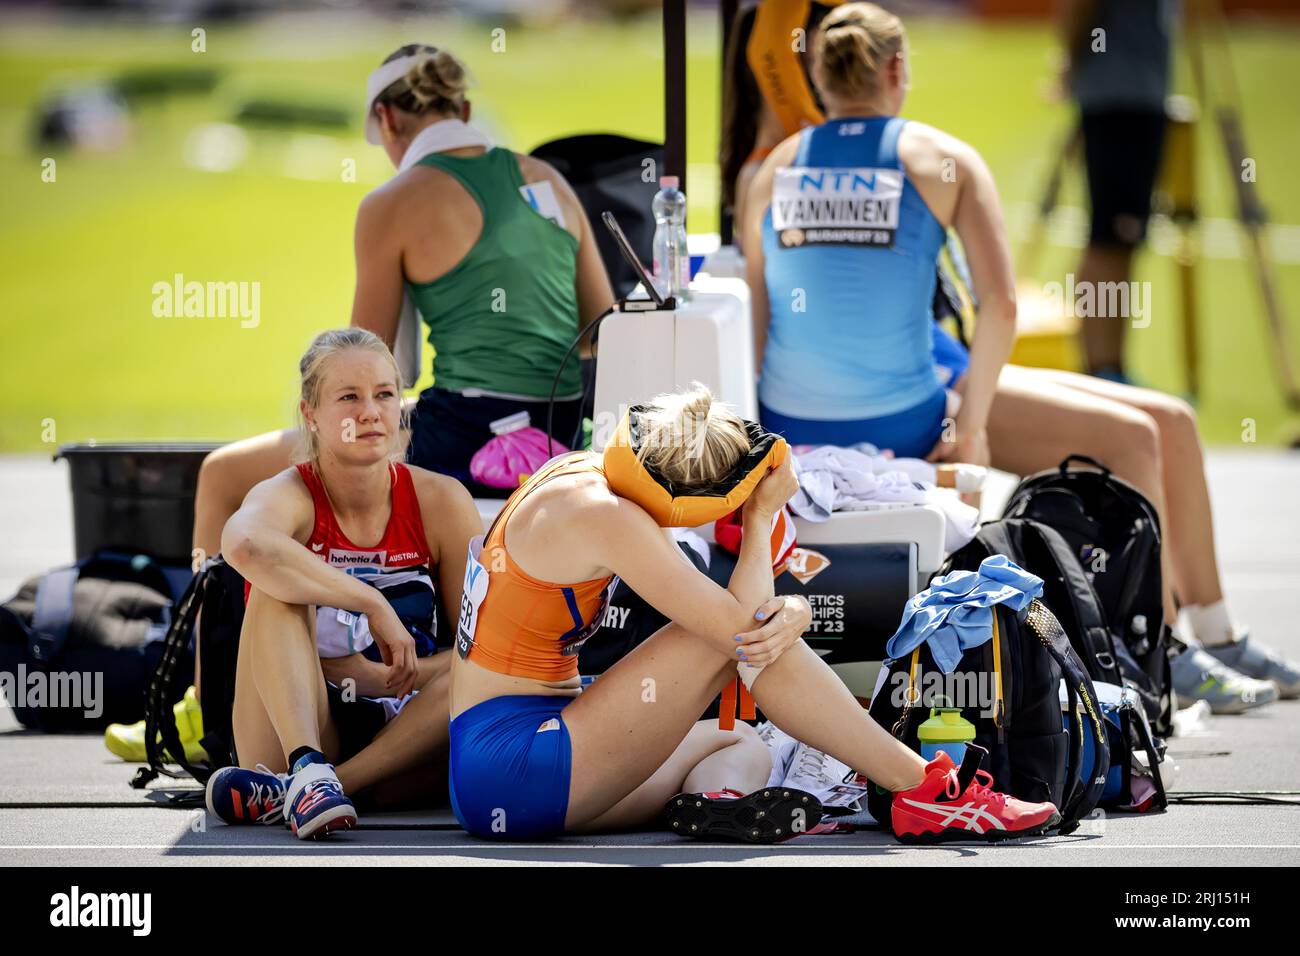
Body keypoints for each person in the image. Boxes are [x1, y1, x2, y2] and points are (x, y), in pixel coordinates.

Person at [739, 2, 1299, 713]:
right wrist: (969, 424)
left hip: (806, 411)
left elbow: (755, 320)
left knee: (1171, 420)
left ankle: (1209, 637)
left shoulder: (771, 172)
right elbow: (1002, 306)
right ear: (898, 70)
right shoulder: (941, 157)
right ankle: (1156, 655)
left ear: (817, 76)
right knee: (1143, 434)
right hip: (911, 410)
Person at [448, 384, 1061, 843]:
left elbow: (747, 617)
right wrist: (761, 518)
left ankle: (718, 801)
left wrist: (780, 610)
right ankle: (923, 787)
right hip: (523, 762)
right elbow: (742, 630)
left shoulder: (581, 473)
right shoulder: (607, 518)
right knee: (735, 641)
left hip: (503, 765)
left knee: (740, 738)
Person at [191, 41, 616, 572]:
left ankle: (207, 648)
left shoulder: (389, 204)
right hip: (561, 434)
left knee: (221, 475)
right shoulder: (547, 178)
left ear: (386, 120)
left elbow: (358, 373)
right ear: (463, 111)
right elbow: (602, 324)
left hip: (464, 439)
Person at [202, 329, 484, 839]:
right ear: (310, 413)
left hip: (407, 731)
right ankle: (307, 766)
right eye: (349, 397)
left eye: (384, 394)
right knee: (276, 588)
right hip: (299, 723)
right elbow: (243, 546)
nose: (371, 412)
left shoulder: (441, 501)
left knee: (479, 674)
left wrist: (410, 672)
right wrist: (370, 603)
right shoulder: (290, 493)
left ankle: (313, 788)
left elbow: (487, 644)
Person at [1061, 0, 1174, 381]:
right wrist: (1071, 61)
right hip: (1120, 98)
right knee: (1111, 238)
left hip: (1136, 96)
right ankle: (1103, 367)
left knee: (1121, 241)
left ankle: (1110, 365)